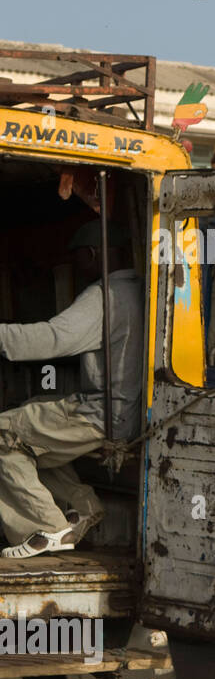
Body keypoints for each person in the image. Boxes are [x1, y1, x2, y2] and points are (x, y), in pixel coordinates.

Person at [0, 221, 142, 557]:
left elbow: (55, 338)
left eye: (76, 258)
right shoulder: (139, 288)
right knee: (31, 419)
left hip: (99, 414)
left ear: (91, 254)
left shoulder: (105, 295)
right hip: (126, 414)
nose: (76, 267)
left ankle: (46, 527)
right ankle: (83, 506)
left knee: (3, 434)